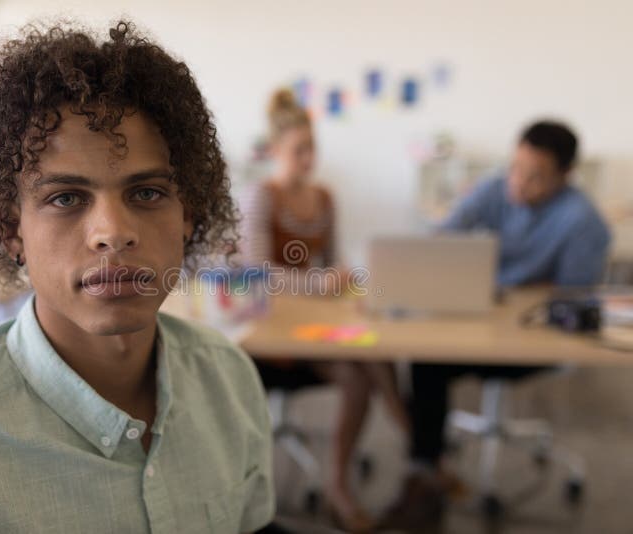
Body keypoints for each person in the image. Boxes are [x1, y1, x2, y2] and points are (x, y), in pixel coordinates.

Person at [0, 21, 275, 533]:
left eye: (147, 193)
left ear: (189, 216)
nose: (112, 233)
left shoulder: (229, 380)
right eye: (66, 198)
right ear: (10, 229)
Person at [380, 120, 611, 530]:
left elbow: (573, 296)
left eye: (536, 177)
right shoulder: (494, 188)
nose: (519, 183)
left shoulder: (584, 221)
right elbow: (441, 241)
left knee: (434, 360)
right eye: (516, 168)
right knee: (425, 358)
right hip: (479, 325)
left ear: (566, 176)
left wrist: (507, 287)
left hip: (535, 342)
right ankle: (426, 469)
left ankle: (428, 466)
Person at [240, 89, 408, 533]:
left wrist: (346, 279)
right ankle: (407, 439)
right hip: (273, 327)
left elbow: (331, 262)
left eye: (312, 148)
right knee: (361, 372)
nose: (308, 158)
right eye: (299, 150)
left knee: (374, 351)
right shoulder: (262, 197)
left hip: (314, 320)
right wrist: (317, 283)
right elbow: (258, 273)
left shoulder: (326, 200)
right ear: (275, 150)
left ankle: (356, 471)